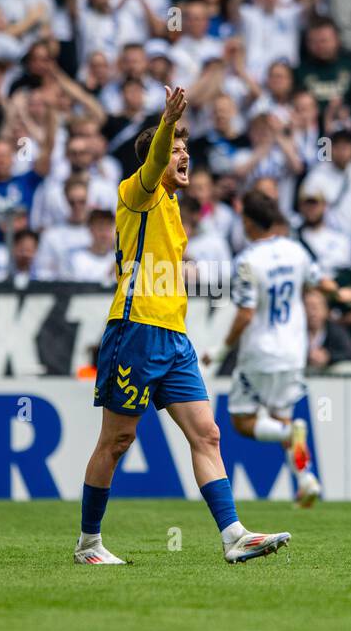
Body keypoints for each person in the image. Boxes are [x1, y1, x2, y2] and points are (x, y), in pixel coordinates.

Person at [75, 85, 290, 566]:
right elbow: (151, 165)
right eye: (175, 150)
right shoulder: (138, 192)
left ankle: (233, 534)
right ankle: (88, 543)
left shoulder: (171, 206)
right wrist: (167, 121)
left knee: (207, 434)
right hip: (134, 331)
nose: (183, 157)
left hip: (174, 338)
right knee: (117, 440)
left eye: (186, 150)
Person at [205, 190, 336, 508]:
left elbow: (246, 313)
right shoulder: (295, 250)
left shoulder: (247, 262)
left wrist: (220, 352)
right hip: (293, 351)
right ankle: (306, 480)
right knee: (281, 418)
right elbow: (321, 283)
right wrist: (343, 293)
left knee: (243, 421)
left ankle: (289, 436)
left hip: (261, 352)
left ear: (248, 222)